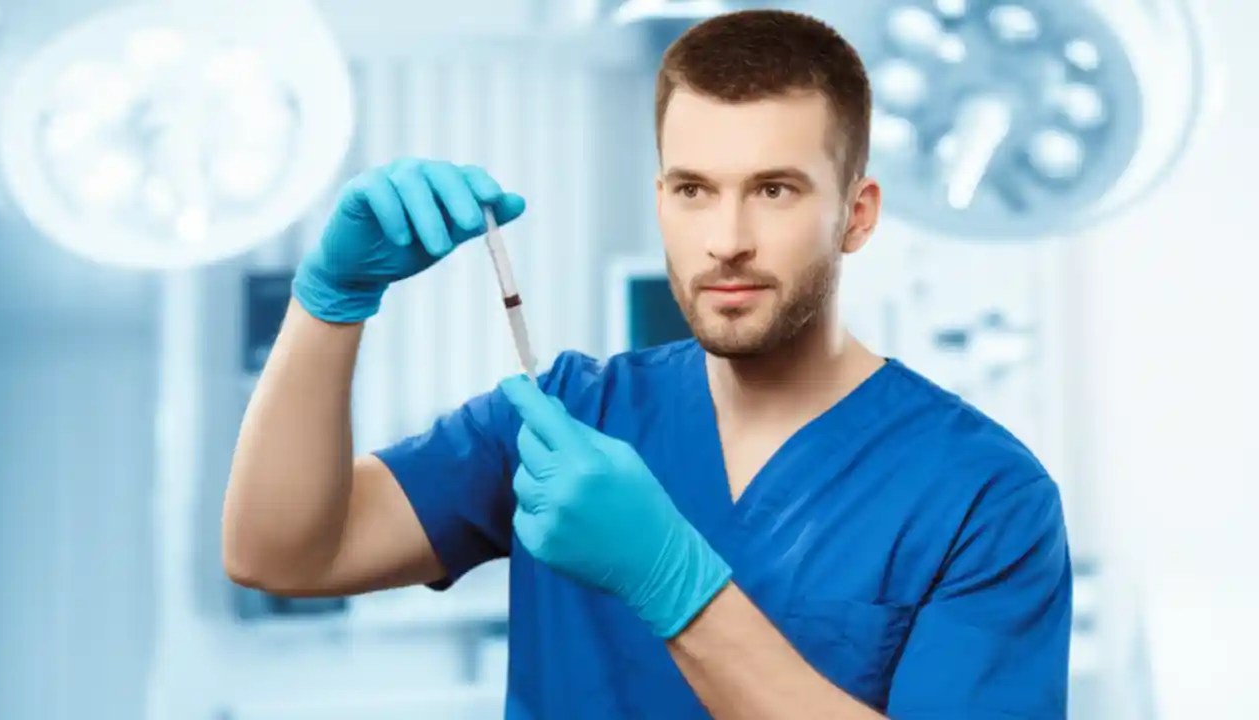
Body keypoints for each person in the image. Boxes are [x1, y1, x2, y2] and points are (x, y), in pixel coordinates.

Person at [223, 9, 1071, 719]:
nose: (726, 239)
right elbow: (286, 554)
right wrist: (330, 301)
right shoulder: (568, 416)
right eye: (693, 188)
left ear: (857, 215)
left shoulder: (983, 495)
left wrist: (674, 583)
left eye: (774, 190)